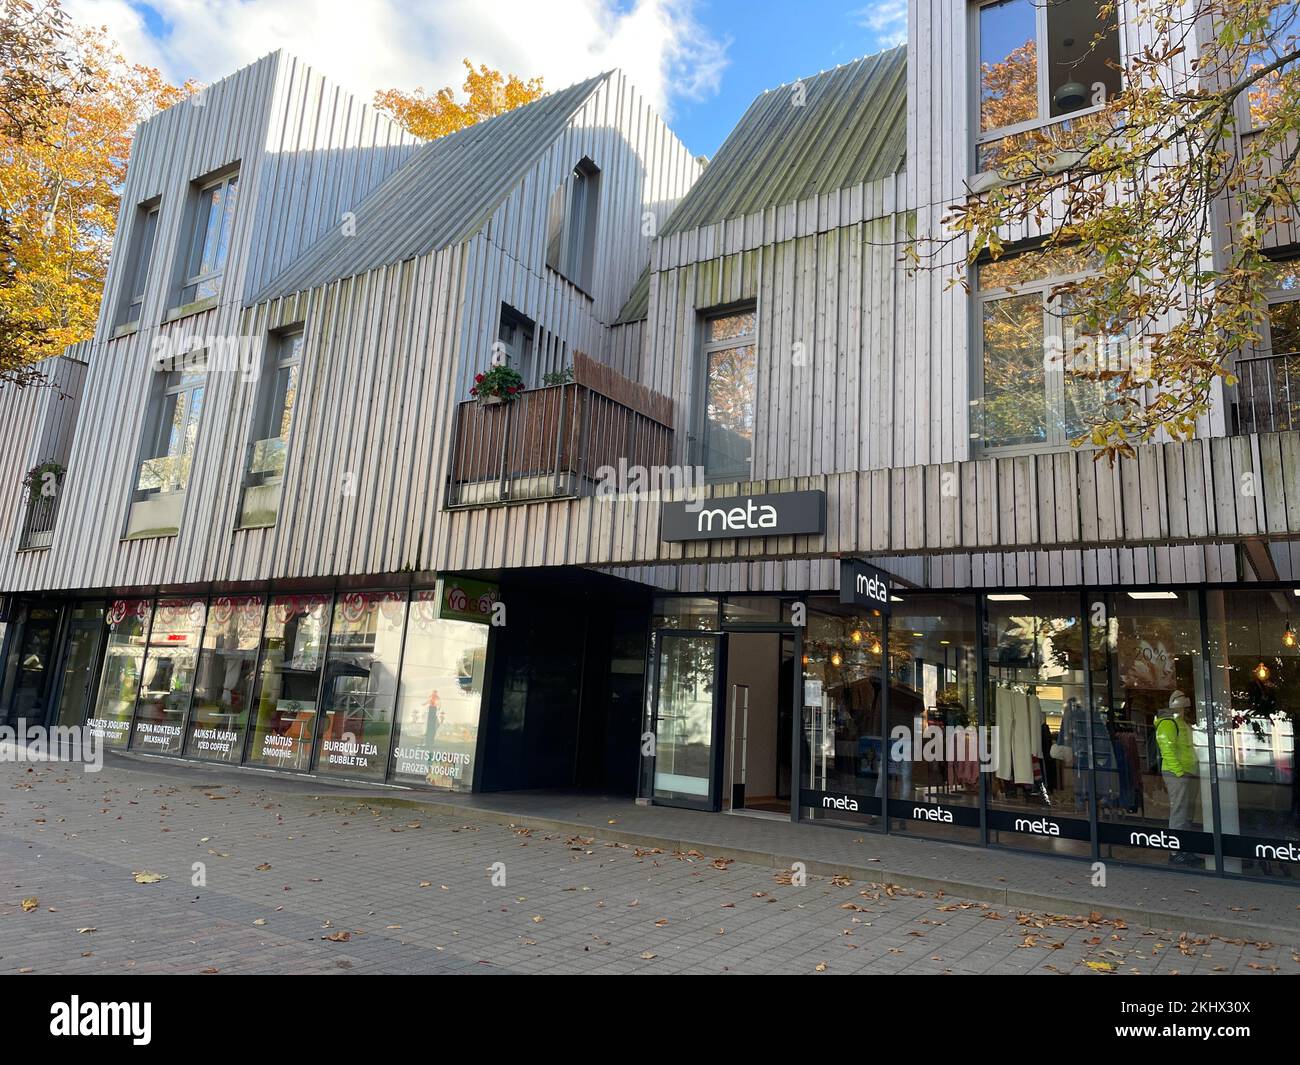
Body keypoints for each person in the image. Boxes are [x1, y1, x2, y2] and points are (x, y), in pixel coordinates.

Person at [1155, 689, 1198, 863]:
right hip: (1177, 773)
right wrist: (1179, 772)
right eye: (1182, 706)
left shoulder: (1180, 723)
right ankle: (1176, 851)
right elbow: (1167, 749)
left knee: (1186, 813)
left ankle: (1184, 849)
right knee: (1180, 812)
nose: (1184, 709)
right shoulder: (1169, 722)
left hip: (1186, 772)